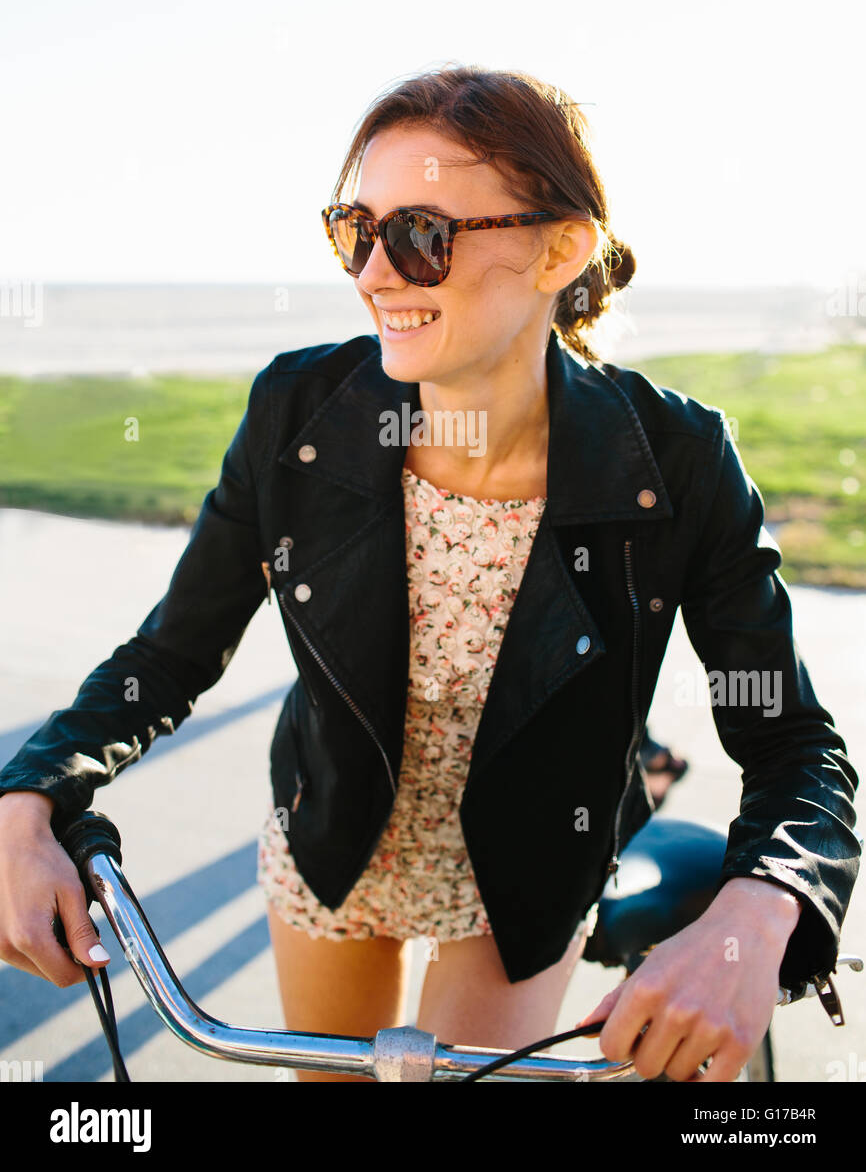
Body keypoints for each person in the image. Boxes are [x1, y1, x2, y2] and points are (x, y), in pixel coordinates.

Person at [0, 65, 859, 1084]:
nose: (372, 273)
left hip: (527, 875)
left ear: (557, 247)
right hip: (328, 839)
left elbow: (794, 745)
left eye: (418, 233)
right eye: (351, 231)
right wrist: (29, 790)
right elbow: (170, 652)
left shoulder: (673, 457)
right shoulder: (295, 410)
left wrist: (758, 913)